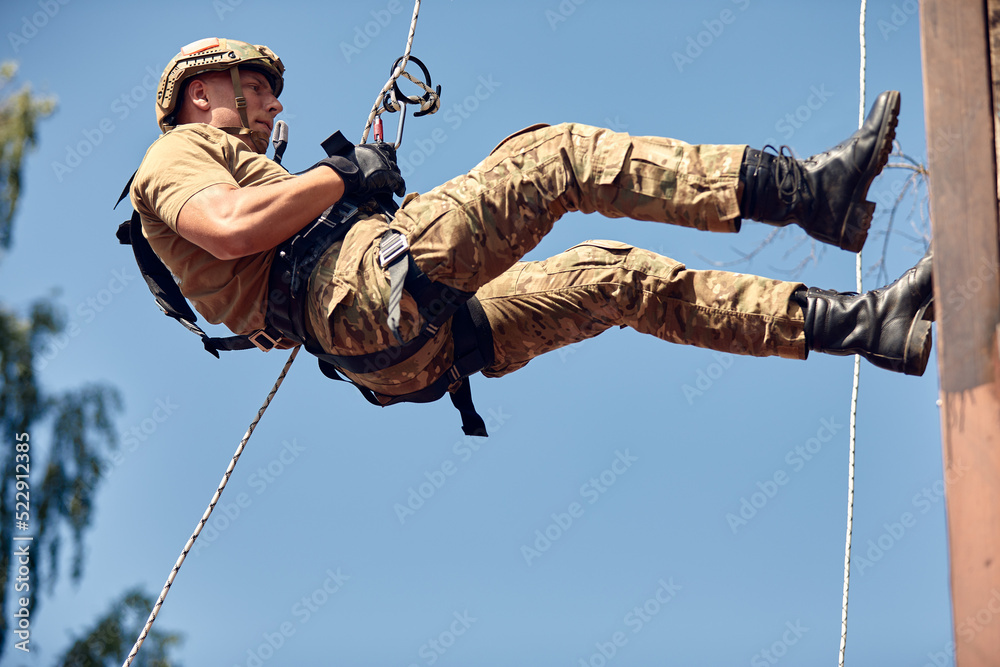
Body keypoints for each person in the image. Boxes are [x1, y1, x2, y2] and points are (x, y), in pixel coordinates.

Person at [128, 38, 934, 434]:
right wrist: (343, 179)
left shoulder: (240, 164)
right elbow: (231, 232)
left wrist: (345, 193)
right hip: (362, 298)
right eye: (258, 90)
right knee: (554, 157)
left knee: (609, 278)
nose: (271, 107)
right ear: (204, 91)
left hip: (394, 343)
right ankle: (809, 195)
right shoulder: (172, 156)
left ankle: (865, 326)